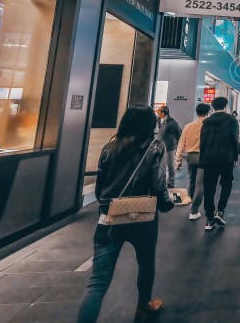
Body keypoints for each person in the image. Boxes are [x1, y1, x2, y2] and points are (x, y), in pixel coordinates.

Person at [78, 106, 174, 323]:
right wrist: (166, 203)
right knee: (146, 263)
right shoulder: (155, 147)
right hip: (143, 215)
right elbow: (158, 182)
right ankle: (143, 307)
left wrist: (107, 206)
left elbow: (100, 187)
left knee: (97, 282)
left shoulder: (109, 147)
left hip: (111, 216)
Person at [200, 97, 240, 231]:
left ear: (213, 107)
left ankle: (209, 219)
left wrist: (202, 159)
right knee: (226, 184)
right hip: (226, 159)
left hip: (209, 159)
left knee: (209, 188)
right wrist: (235, 157)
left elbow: (203, 142)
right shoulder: (232, 120)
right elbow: (235, 140)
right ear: (226, 106)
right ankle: (220, 211)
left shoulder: (206, 121)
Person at [176, 103, 211, 220]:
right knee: (201, 183)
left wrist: (178, 159)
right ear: (207, 113)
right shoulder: (208, 125)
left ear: (197, 112)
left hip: (190, 156)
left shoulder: (188, 126)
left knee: (192, 180)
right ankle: (194, 211)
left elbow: (181, 143)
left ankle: (191, 201)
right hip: (203, 156)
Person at [156, 106, 182, 188]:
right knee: (160, 165)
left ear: (163, 113)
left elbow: (179, 134)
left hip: (169, 147)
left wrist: (178, 146)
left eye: (158, 112)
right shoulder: (158, 120)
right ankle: (161, 181)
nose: (157, 113)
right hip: (160, 146)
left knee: (170, 165)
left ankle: (171, 181)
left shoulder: (172, 123)